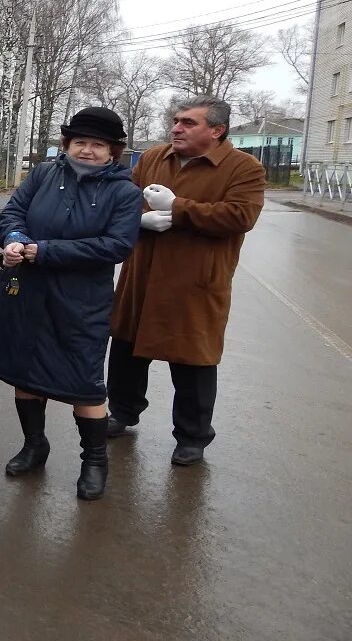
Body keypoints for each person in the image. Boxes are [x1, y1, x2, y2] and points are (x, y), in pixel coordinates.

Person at [0, 107, 143, 500]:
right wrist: (13, 238)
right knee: (25, 373)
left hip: (81, 303)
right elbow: (13, 212)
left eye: (98, 145)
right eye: (80, 142)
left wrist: (43, 250)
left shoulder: (124, 193)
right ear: (67, 144)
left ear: (113, 151)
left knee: (85, 385)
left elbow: (116, 246)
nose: (87, 150)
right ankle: (34, 446)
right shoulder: (44, 174)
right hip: (28, 292)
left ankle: (94, 461)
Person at [107, 95, 266, 466]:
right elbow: (125, 201)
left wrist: (177, 208)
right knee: (128, 349)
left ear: (217, 130)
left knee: (193, 359)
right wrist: (139, 219)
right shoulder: (153, 157)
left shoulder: (244, 168)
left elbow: (240, 216)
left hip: (195, 280)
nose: (176, 128)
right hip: (142, 274)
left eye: (188, 123)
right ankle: (123, 412)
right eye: (176, 121)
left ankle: (192, 437)